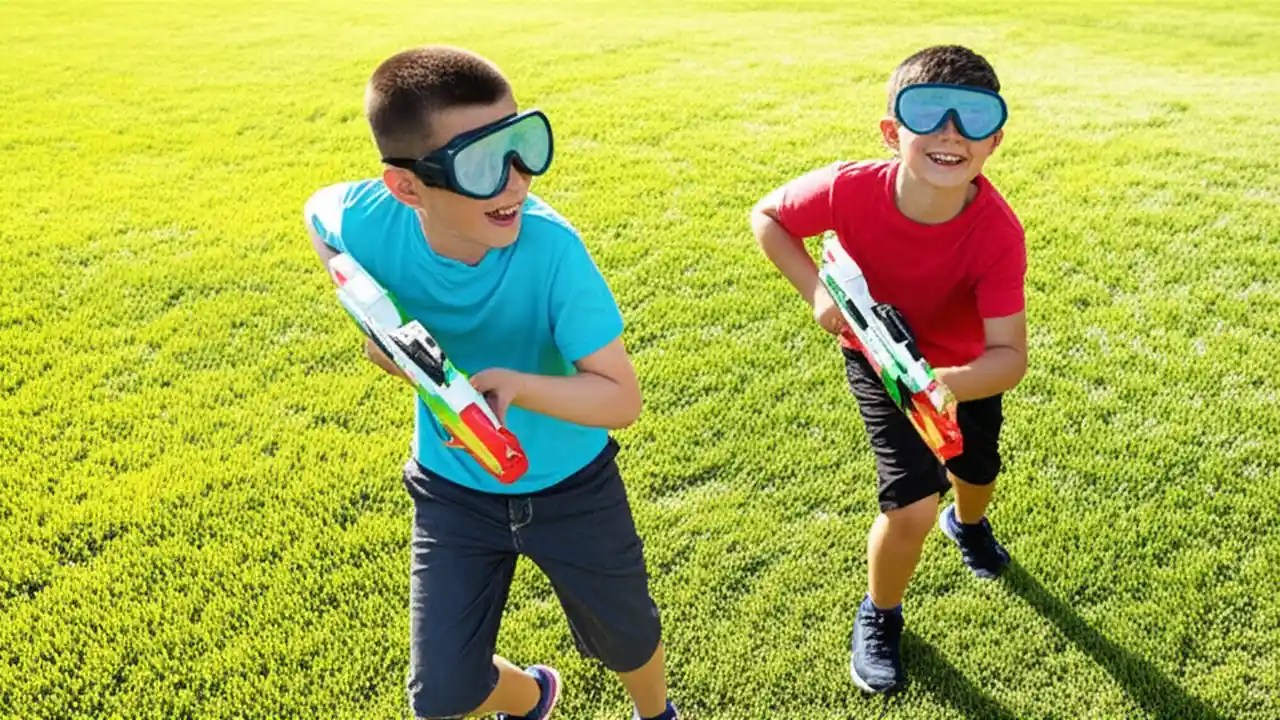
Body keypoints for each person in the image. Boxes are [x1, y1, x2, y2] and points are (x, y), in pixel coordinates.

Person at [303, 45, 679, 720]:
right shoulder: (366, 217)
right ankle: (534, 696)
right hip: (453, 491)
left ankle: (657, 714)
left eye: (520, 146)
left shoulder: (553, 249)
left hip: (572, 485)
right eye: (480, 163)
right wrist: (375, 320)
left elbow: (621, 398)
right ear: (407, 186)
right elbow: (317, 213)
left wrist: (516, 384)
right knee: (443, 697)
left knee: (626, 636)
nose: (514, 182)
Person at [749, 44, 1029, 694]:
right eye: (928, 115)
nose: (950, 135)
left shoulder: (996, 233)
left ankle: (972, 523)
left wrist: (946, 385)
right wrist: (817, 292)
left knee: (975, 467)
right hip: (877, 356)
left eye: (972, 121)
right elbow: (767, 216)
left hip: (962, 369)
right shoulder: (849, 189)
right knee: (910, 506)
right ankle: (881, 613)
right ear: (890, 131)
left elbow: (1009, 359)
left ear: (994, 142)